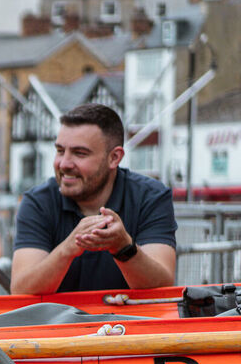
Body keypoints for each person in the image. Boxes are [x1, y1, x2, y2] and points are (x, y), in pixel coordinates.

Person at [11, 103, 177, 294]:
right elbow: (21, 291)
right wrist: (68, 249)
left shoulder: (151, 197)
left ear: (114, 158)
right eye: (60, 151)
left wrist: (123, 247)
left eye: (79, 153)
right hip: (58, 323)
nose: (64, 163)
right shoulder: (38, 202)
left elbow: (163, 287)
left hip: (129, 322)